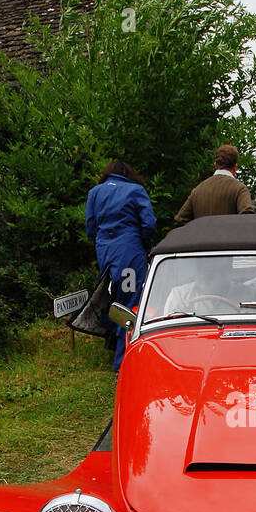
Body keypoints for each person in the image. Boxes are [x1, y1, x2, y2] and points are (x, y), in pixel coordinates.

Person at [85, 159, 157, 372]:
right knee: (129, 300)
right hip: (129, 254)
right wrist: (145, 246)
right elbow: (149, 223)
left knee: (112, 296)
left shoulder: (95, 193)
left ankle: (113, 347)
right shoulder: (135, 190)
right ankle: (123, 361)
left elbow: (91, 227)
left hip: (105, 253)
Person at [174, 144, 256, 222]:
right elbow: (247, 217)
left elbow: (180, 219)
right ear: (235, 167)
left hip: (201, 236)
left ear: (215, 164)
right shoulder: (240, 189)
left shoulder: (197, 190)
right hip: (229, 236)